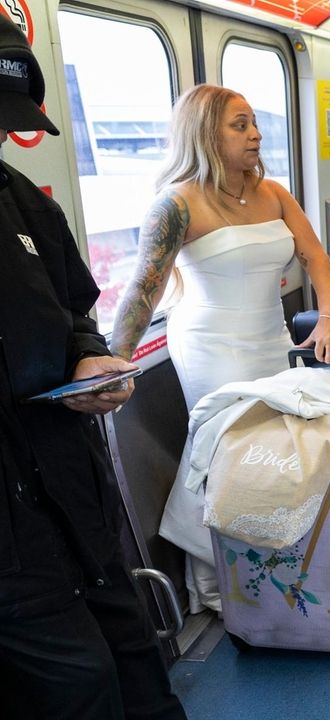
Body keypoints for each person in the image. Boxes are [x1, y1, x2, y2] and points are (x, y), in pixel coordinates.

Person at [0, 15, 187, 718]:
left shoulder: (24, 205)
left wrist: (88, 357)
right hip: (9, 545)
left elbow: (75, 310)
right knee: (80, 689)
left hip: (72, 499)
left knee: (138, 663)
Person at [110, 83, 330, 613]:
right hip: (210, 341)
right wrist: (116, 364)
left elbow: (316, 259)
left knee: (272, 448)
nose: (256, 134)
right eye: (240, 125)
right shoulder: (176, 205)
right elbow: (142, 290)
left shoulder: (274, 193)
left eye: (255, 123)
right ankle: (210, 582)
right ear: (204, 134)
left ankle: (262, 567)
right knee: (221, 447)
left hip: (268, 335)